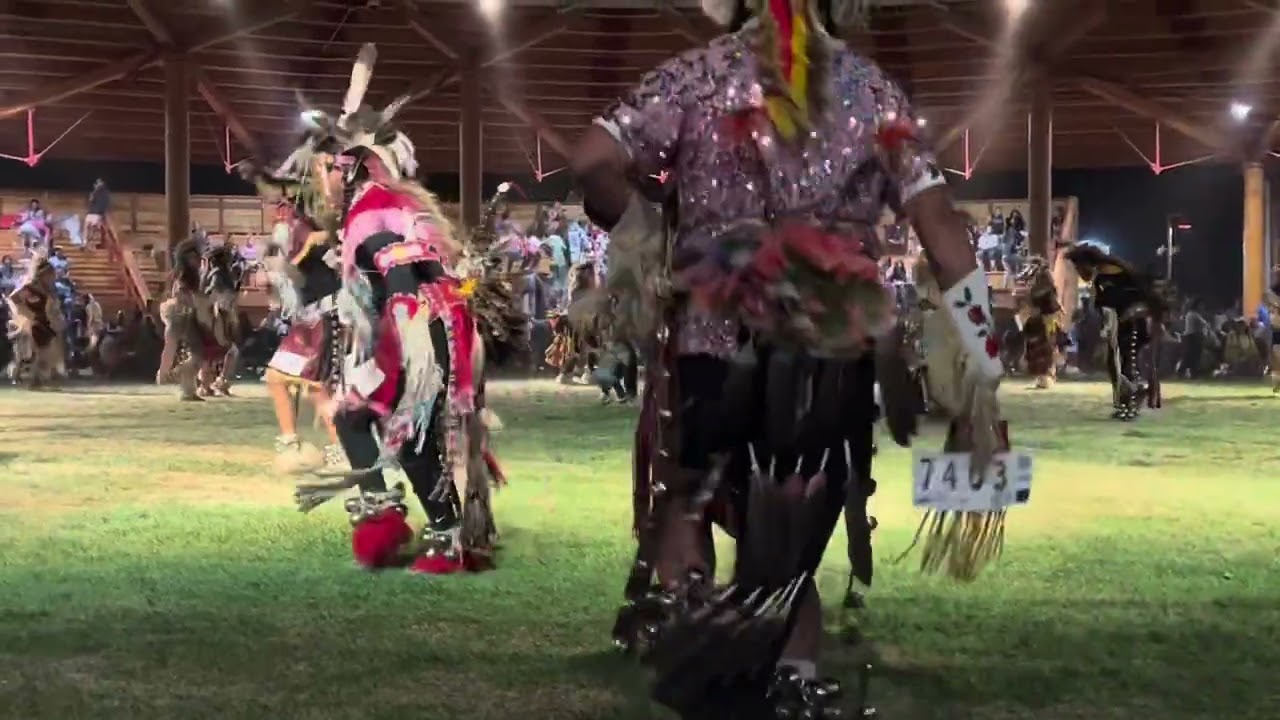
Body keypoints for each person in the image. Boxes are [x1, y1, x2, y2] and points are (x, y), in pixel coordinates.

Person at [568, 2, 1005, 715]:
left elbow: (592, 159)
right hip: (830, 345)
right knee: (792, 520)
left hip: (713, 340)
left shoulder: (696, 75)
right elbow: (939, 225)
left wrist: (651, 233)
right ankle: (792, 675)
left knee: (696, 498)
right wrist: (983, 364)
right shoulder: (870, 87)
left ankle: (708, 650)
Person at [288, 44, 505, 575]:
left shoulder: (375, 208)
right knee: (352, 418)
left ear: (351, 167)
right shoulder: (384, 204)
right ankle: (385, 523)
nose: (322, 182)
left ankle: (449, 540)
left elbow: (402, 267)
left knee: (411, 436)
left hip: (419, 325)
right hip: (416, 323)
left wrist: (411, 338)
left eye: (328, 169)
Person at [1065, 244, 1162, 420]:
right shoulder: (1110, 274)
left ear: (1086, 264)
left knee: (1123, 363)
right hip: (1131, 323)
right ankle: (1127, 402)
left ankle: (1132, 399)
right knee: (1120, 363)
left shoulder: (1107, 276)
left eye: (1078, 268)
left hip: (1130, 323)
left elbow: (1116, 303)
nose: (1078, 272)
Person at [86, 179, 110, 248]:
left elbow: (91, 201)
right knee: (102, 229)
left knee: (95, 229)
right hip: (101, 212)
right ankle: (103, 243)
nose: (95, 184)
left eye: (97, 183)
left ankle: (90, 243)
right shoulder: (104, 192)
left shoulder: (97, 192)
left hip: (98, 213)